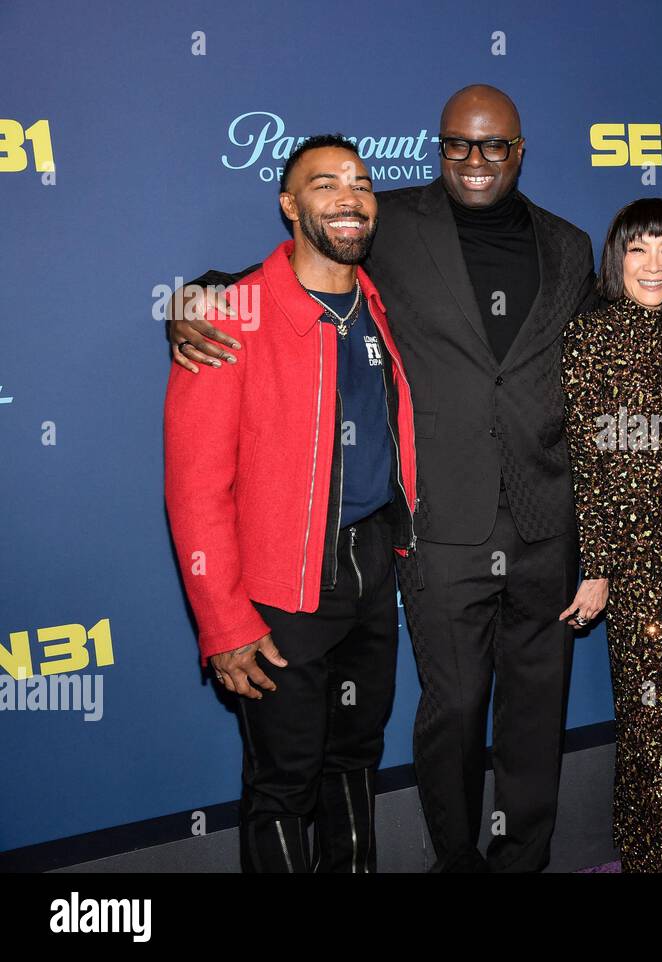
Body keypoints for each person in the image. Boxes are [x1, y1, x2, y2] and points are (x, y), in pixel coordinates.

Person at [167, 86, 600, 873]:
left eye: (493, 146)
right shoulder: (387, 221)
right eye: (458, 146)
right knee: (453, 711)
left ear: (520, 151)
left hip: (542, 519)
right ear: (440, 149)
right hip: (437, 524)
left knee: (533, 716)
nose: (475, 161)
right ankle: (457, 859)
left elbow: (612, 341)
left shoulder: (570, 247)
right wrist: (195, 298)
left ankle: (521, 859)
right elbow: (299, 263)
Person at [163, 135, 418, 872]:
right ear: (287, 204)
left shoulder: (378, 301)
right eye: (325, 184)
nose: (349, 197)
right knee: (283, 779)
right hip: (278, 589)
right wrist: (223, 623)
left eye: (362, 184)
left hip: (371, 570)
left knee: (354, 761)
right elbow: (193, 487)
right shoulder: (227, 316)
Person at [561, 198, 662, 873]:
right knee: (652, 719)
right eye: (638, 249)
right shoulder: (589, 337)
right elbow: (584, 459)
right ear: (615, 259)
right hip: (627, 561)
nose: (653, 265)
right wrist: (596, 565)